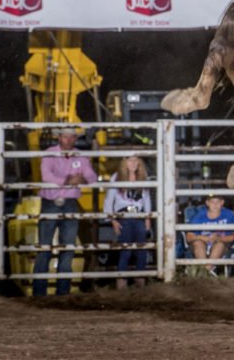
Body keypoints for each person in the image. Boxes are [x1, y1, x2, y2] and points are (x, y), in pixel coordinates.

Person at [32, 127, 98, 297]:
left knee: (66, 247)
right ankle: (43, 291)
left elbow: (91, 176)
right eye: (65, 137)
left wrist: (81, 179)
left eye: (71, 137)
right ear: (59, 138)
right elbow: (46, 176)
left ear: (75, 139)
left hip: (65, 202)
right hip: (53, 201)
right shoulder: (50, 153)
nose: (69, 140)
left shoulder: (79, 155)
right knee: (47, 247)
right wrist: (70, 180)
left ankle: (60, 291)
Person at [103, 156, 152, 289]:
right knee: (126, 249)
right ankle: (122, 281)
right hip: (123, 215)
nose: (133, 163)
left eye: (136, 160)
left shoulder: (143, 176)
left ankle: (140, 280)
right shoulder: (116, 177)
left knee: (142, 249)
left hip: (139, 215)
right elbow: (109, 199)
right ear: (124, 162)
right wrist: (112, 219)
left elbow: (146, 198)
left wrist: (148, 217)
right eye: (130, 160)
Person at [186, 194, 234, 277]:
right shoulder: (199, 215)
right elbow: (188, 237)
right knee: (198, 243)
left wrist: (219, 238)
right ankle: (206, 272)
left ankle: (204, 273)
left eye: (218, 202)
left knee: (220, 244)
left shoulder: (229, 215)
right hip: (203, 243)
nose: (215, 205)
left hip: (220, 245)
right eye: (212, 202)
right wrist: (202, 237)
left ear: (222, 202)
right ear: (207, 203)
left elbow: (232, 237)